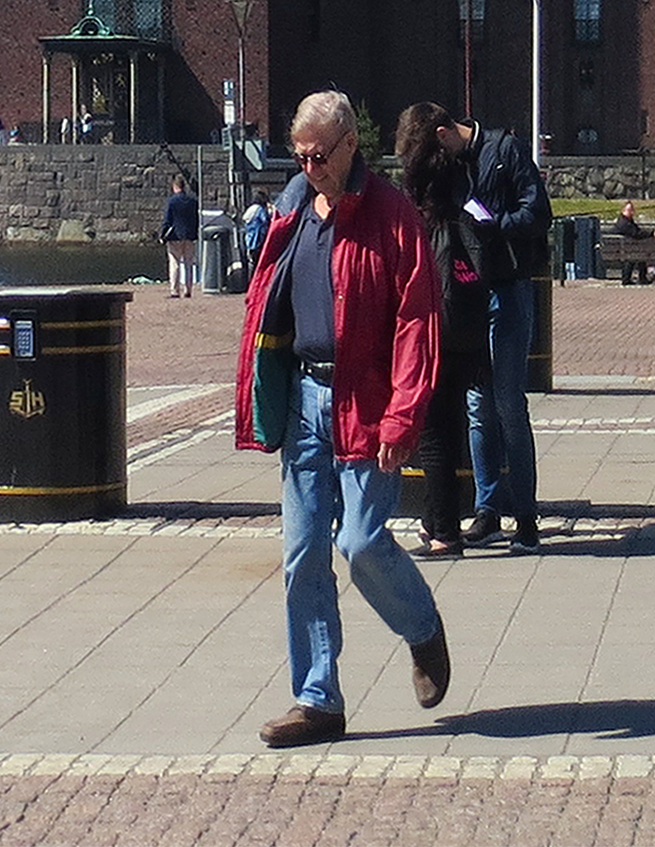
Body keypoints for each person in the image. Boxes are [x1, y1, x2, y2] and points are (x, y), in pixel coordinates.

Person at [234, 92, 454, 748]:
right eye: (300, 155)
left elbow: (418, 320)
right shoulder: (293, 209)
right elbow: (266, 305)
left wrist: (402, 415)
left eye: (319, 155)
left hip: (367, 403)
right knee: (301, 557)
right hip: (305, 400)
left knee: (359, 543)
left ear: (352, 144)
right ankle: (318, 701)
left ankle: (422, 629)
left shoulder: (393, 217)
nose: (309, 166)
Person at [391, 105, 492, 557]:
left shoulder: (416, 196)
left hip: (436, 320)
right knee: (450, 424)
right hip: (466, 320)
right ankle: (436, 520)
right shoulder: (462, 180)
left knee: (432, 431)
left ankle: (444, 530)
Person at [448, 112, 552, 547]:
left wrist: (496, 226)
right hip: (471, 291)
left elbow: (539, 211)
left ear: (447, 132)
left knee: (508, 403)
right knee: (478, 406)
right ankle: (486, 510)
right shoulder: (450, 165)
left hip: (508, 288)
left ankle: (525, 517)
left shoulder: (504, 149)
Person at [160, 170, 205, 295]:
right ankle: (188, 289)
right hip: (189, 236)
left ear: (175, 186)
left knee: (175, 263)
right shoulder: (193, 201)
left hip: (174, 236)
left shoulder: (171, 202)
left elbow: (167, 220)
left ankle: (175, 290)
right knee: (188, 263)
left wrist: (162, 234)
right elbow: (196, 219)